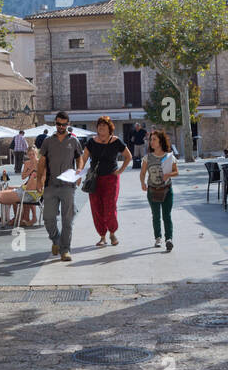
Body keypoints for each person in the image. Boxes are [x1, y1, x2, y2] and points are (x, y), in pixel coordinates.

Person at [37, 110, 83, 262]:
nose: (61, 126)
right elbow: (42, 162)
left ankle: (65, 250)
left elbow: (79, 158)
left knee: (67, 219)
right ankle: (56, 240)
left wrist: (79, 171)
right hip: (50, 185)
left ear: (68, 125)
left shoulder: (74, 141)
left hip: (68, 186)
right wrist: (39, 181)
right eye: (58, 124)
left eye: (63, 124)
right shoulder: (48, 141)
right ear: (55, 124)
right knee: (48, 218)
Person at [81, 115, 132, 247]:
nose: (101, 127)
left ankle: (112, 233)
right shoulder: (91, 142)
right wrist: (79, 169)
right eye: (99, 125)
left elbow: (128, 156)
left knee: (110, 206)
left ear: (110, 128)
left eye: (104, 125)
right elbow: (84, 157)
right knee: (96, 208)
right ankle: (102, 236)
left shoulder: (116, 141)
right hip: (94, 179)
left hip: (111, 179)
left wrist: (120, 170)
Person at [141, 128, 178, 252]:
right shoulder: (147, 158)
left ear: (160, 141)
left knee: (166, 215)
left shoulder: (169, 157)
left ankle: (169, 239)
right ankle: (158, 237)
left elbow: (176, 172)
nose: (151, 142)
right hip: (152, 190)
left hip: (167, 190)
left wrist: (168, 175)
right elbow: (142, 173)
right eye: (150, 139)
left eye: (154, 139)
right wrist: (142, 183)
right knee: (156, 215)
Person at [0, 149, 41, 227]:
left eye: (33, 154)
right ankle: (18, 216)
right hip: (27, 183)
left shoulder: (40, 163)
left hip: (34, 187)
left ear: (36, 154)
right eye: (29, 154)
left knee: (25, 192)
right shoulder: (27, 163)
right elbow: (23, 177)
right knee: (10, 188)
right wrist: (30, 170)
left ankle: (28, 217)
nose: (31, 156)